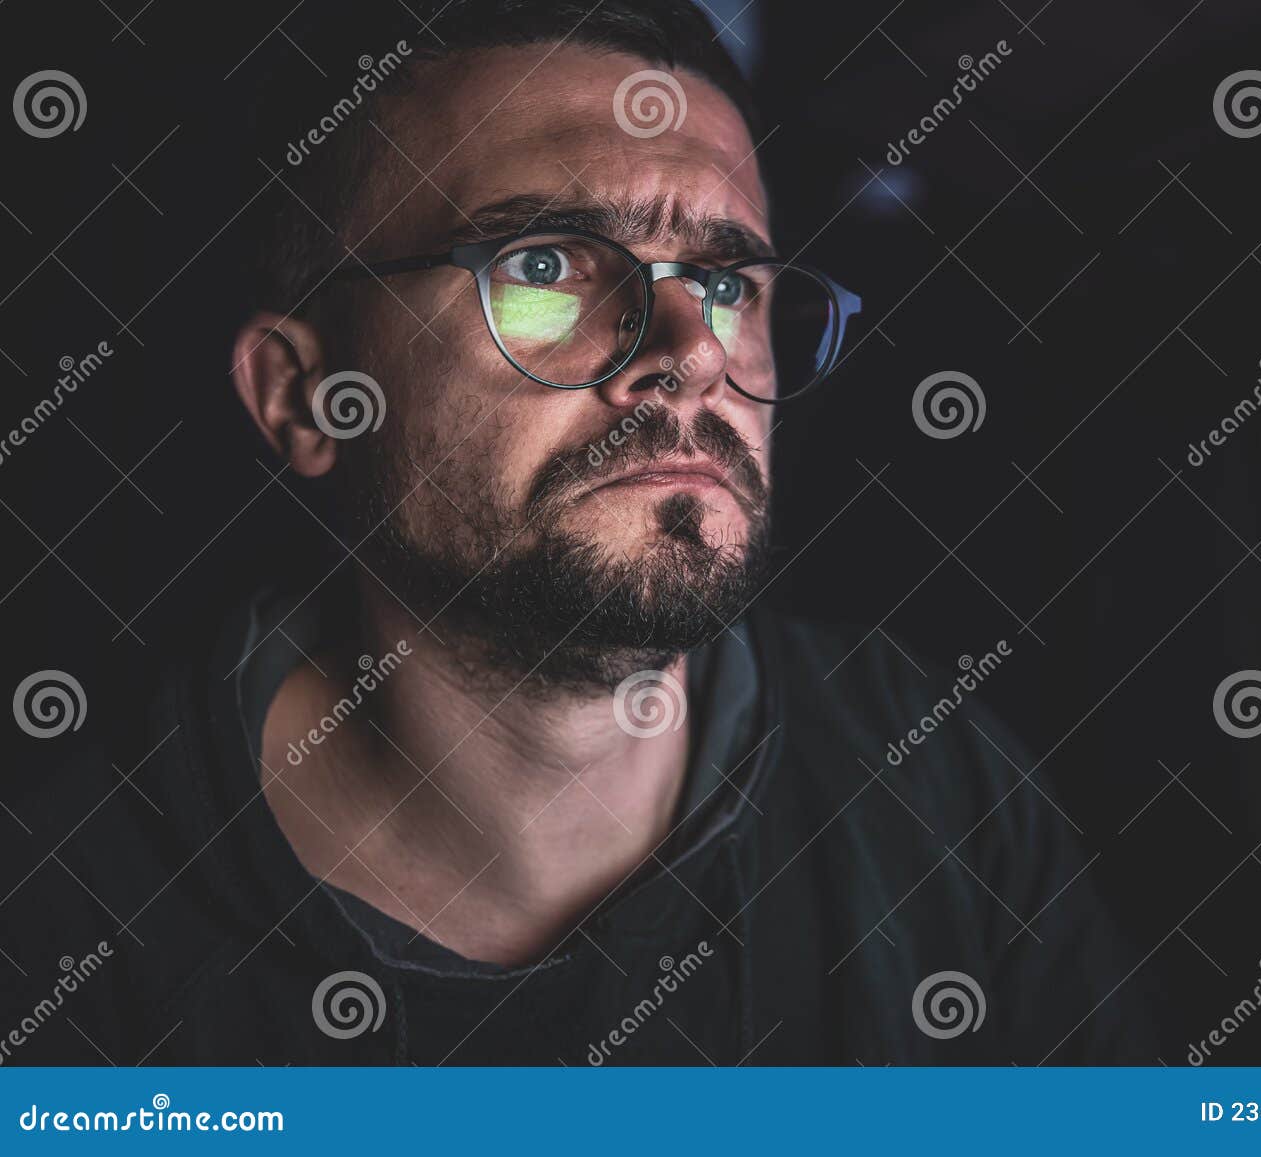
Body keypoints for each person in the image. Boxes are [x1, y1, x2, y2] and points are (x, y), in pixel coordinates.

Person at [0, 0, 1153, 1064]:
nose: (691, 349)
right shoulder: (69, 934)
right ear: (307, 398)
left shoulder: (928, 779)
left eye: (724, 280)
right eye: (542, 263)